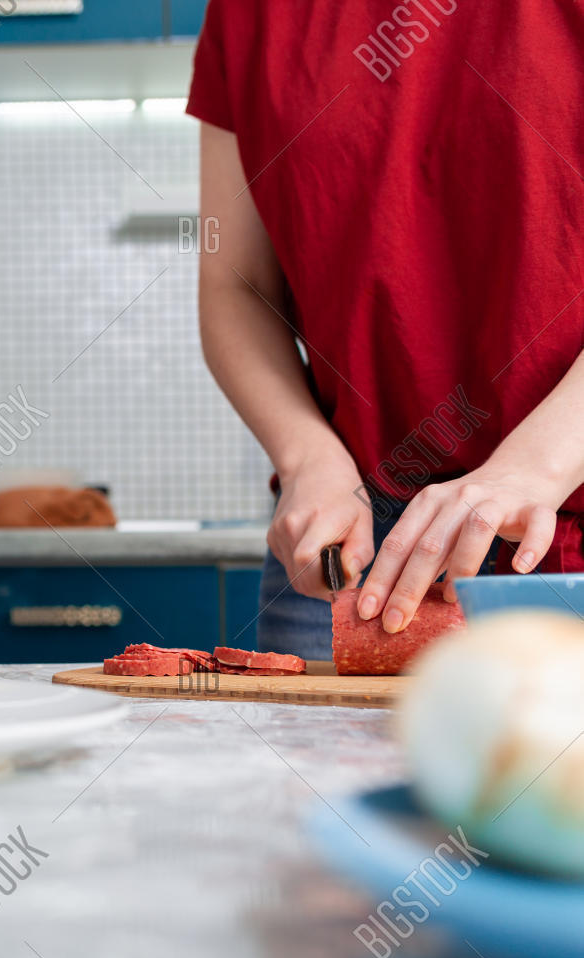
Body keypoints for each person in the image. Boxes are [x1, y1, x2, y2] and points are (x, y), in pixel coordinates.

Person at [189, 0, 584, 658]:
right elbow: (236, 286)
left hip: (563, 528)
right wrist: (307, 460)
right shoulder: (246, 13)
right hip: (347, 557)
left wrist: (535, 468)